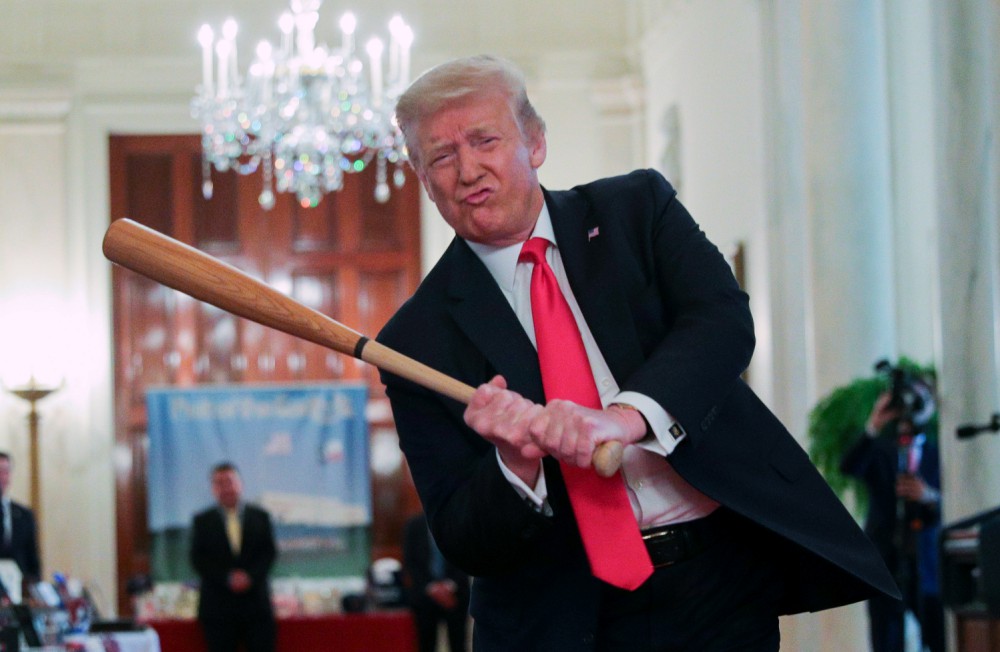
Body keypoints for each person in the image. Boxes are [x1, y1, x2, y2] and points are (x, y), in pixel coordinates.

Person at [375, 54, 900, 651]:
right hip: (560, 617)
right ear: (423, 177)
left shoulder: (635, 211)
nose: (468, 170)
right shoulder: (414, 341)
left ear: (536, 141)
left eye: (484, 140)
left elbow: (722, 321)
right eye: (441, 156)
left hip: (716, 585)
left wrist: (624, 418)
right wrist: (513, 466)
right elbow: (462, 538)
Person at [840, 390, 945, 652]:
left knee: (939, 634)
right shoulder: (881, 450)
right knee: (886, 636)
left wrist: (928, 495)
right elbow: (848, 466)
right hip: (885, 558)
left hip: (926, 559)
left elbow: (958, 498)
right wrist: (875, 422)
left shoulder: (939, 453)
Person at [190, 462, 277, 652]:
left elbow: (268, 554)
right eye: (219, 483)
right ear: (213, 489)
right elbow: (198, 559)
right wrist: (227, 578)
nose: (225, 488)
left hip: (256, 608)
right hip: (217, 610)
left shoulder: (261, 517)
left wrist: (249, 577)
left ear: (240, 484)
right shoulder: (202, 521)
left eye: (229, 482)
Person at [402, 511, 470, 652]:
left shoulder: (459, 522)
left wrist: (449, 586)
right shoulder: (414, 526)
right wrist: (433, 588)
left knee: (458, 644)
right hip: (425, 596)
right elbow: (410, 562)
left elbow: (468, 556)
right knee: (426, 644)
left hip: (456, 596)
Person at [0, 452, 40, 584]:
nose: (1, 476)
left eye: (5, 471)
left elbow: (32, 559)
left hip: (19, 589)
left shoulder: (24, 515)